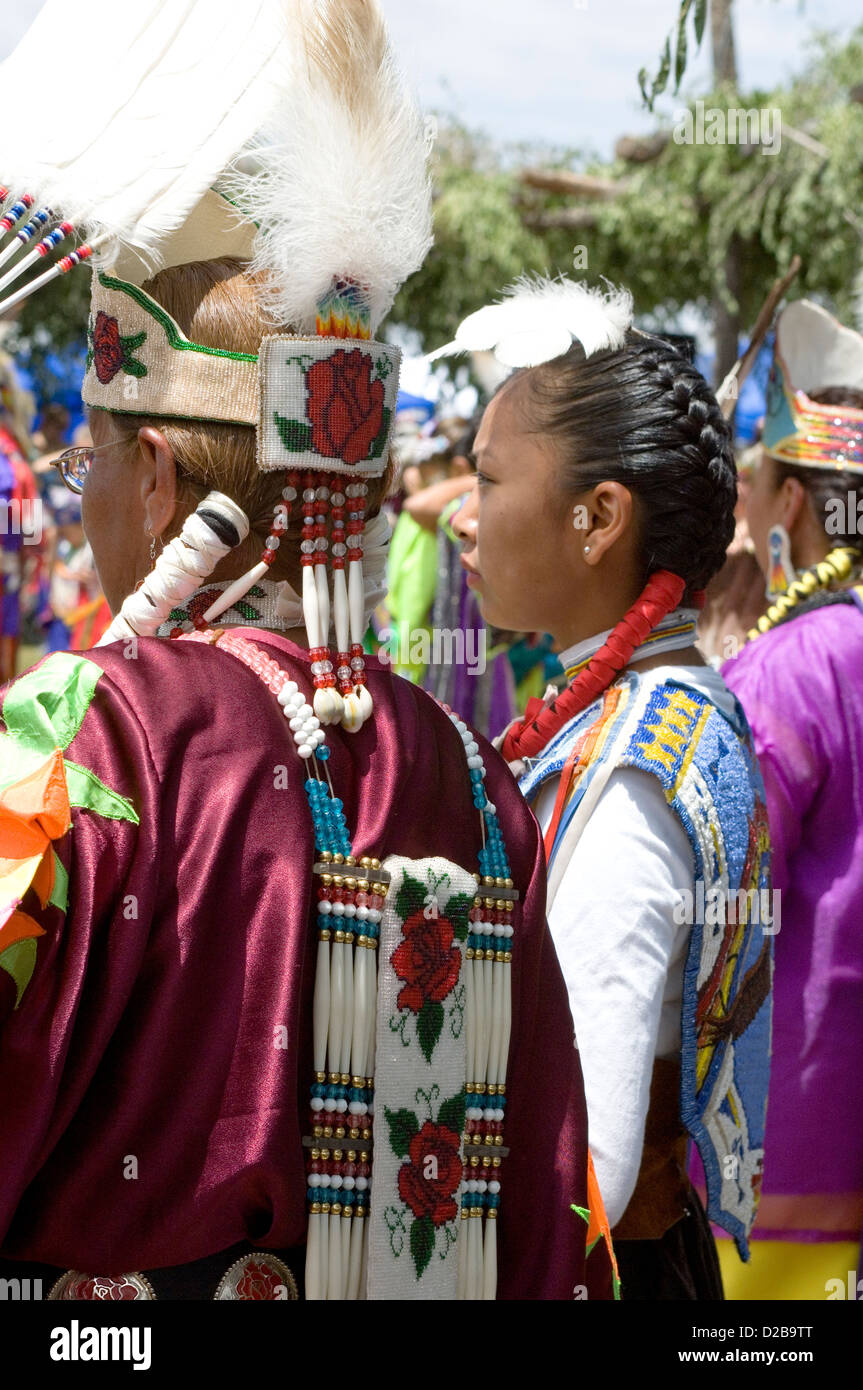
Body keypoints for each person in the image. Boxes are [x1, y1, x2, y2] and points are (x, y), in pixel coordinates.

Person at [0, 0, 613, 1302]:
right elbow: (545, 1192)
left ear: (157, 475)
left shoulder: (82, 730)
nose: (83, 487)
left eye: (89, 454)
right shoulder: (470, 765)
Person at [445, 277, 773, 1299]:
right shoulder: (642, 712)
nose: (462, 514)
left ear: (596, 516)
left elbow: (587, 1151)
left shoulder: (631, 763)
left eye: (488, 481)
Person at [718, 299, 863, 1300]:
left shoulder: (786, 666)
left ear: (789, 501)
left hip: (792, 1141)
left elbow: (726, 900)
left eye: (753, 478)